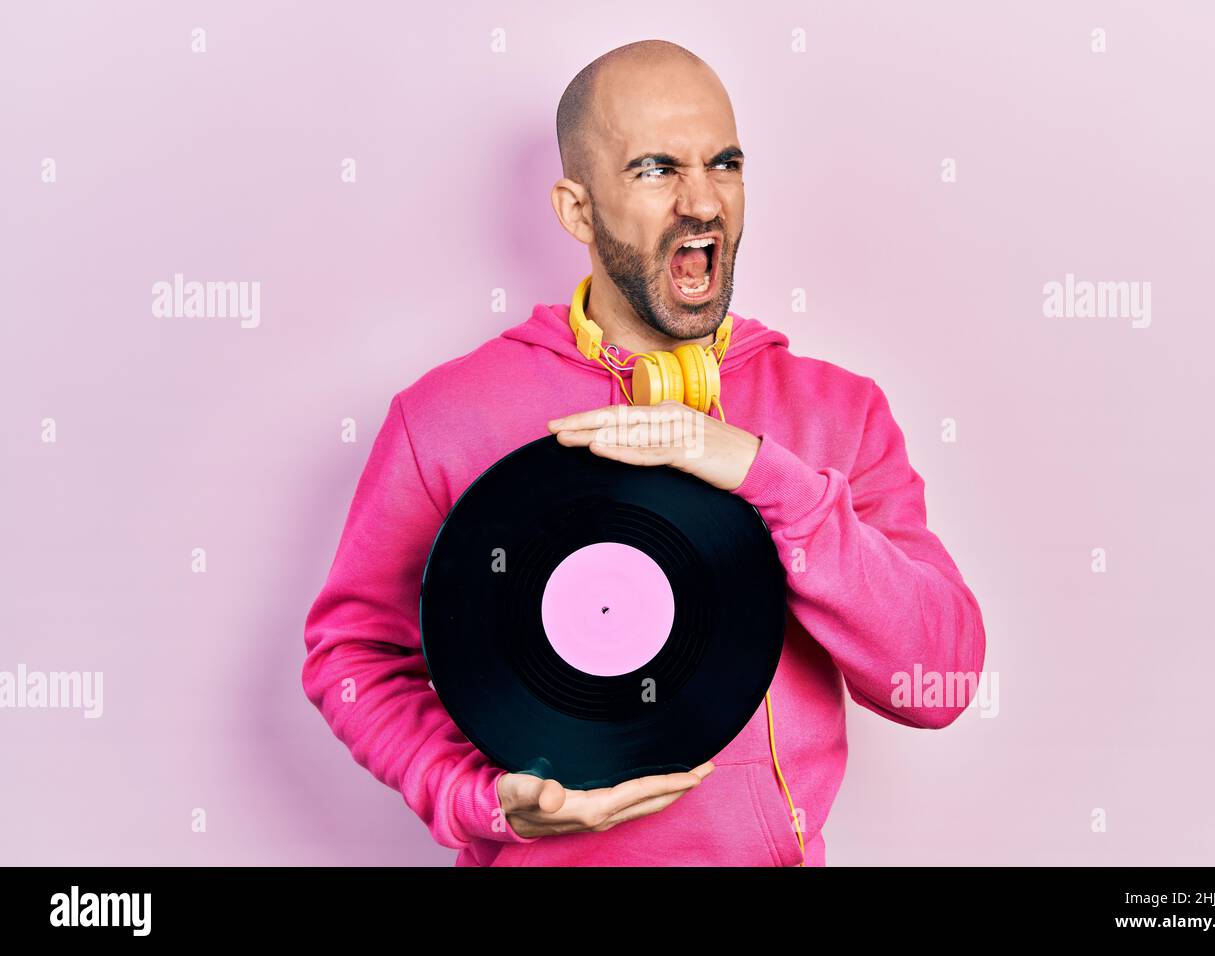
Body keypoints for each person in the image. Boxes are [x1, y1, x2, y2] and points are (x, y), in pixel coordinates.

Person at [302, 38, 986, 867]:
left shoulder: (840, 412)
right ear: (578, 210)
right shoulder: (445, 418)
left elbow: (939, 679)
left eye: (724, 164)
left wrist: (770, 478)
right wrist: (475, 800)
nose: (702, 203)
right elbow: (354, 655)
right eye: (657, 170)